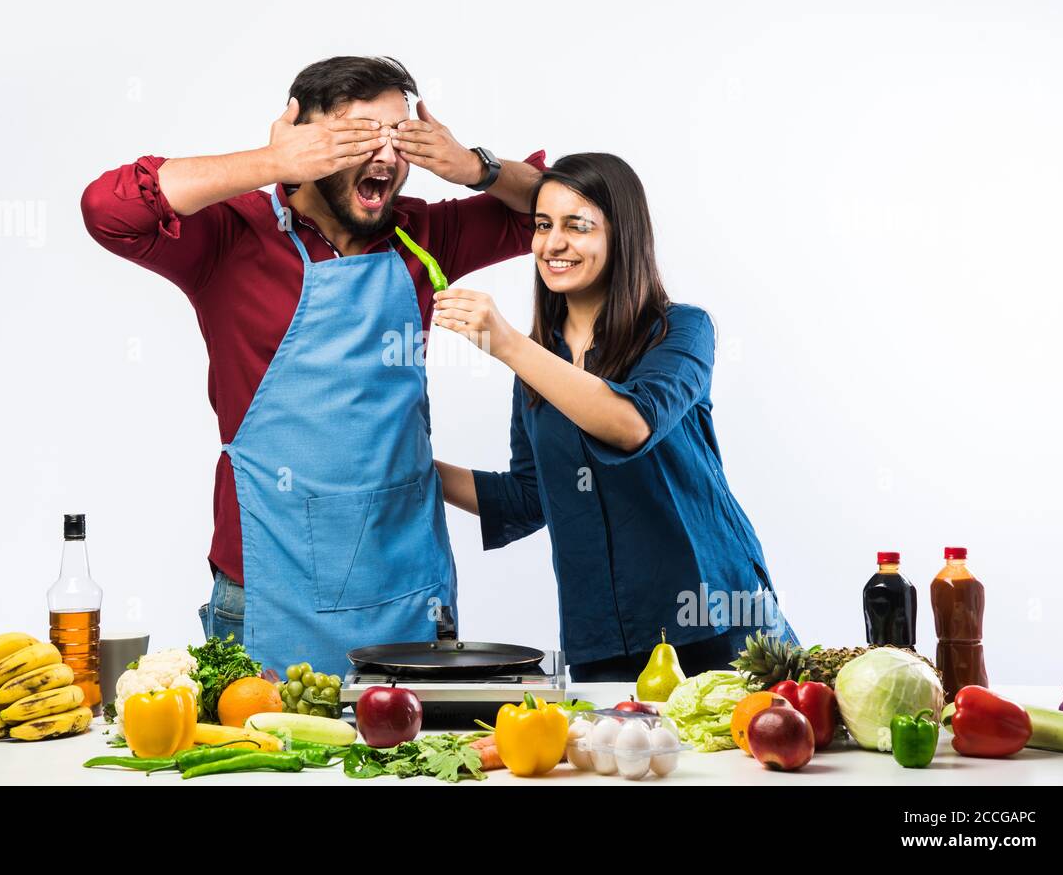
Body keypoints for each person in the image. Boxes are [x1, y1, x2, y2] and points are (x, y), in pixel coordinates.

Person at [80, 56, 544, 675]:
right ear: (304, 138)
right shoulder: (229, 238)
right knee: (266, 766)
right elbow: (110, 210)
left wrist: (474, 167)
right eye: (356, 136)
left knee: (414, 763)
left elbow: (565, 206)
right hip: (267, 589)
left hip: (408, 589)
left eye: (398, 137)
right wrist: (271, 163)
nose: (384, 158)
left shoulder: (423, 234)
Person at [433, 152, 799, 681]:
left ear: (621, 236)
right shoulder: (540, 358)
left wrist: (507, 343)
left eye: (577, 227)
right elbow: (528, 497)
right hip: (602, 635)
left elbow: (631, 425)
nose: (552, 244)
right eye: (542, 225)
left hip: (714, 622)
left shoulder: (681, 330)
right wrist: (411, 466)